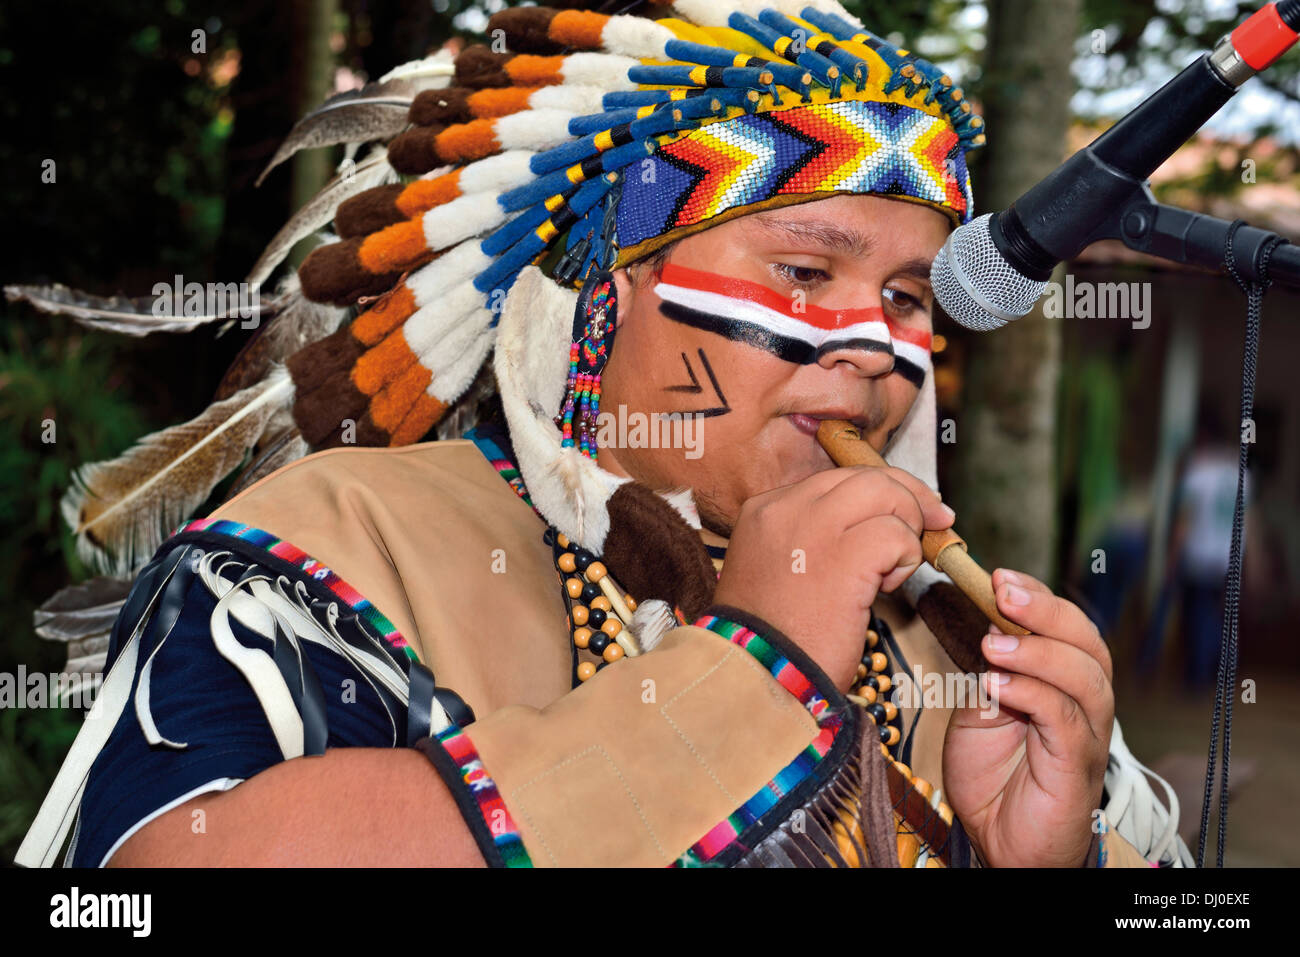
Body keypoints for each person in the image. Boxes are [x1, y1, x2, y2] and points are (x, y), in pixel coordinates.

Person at [19, 1, 1184, 868]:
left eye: (905, 299)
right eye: (803, 269)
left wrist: (1049, 856)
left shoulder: (955, 656)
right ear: (604, 297)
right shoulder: (343, 537)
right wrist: (749, 672)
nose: (868, 343)